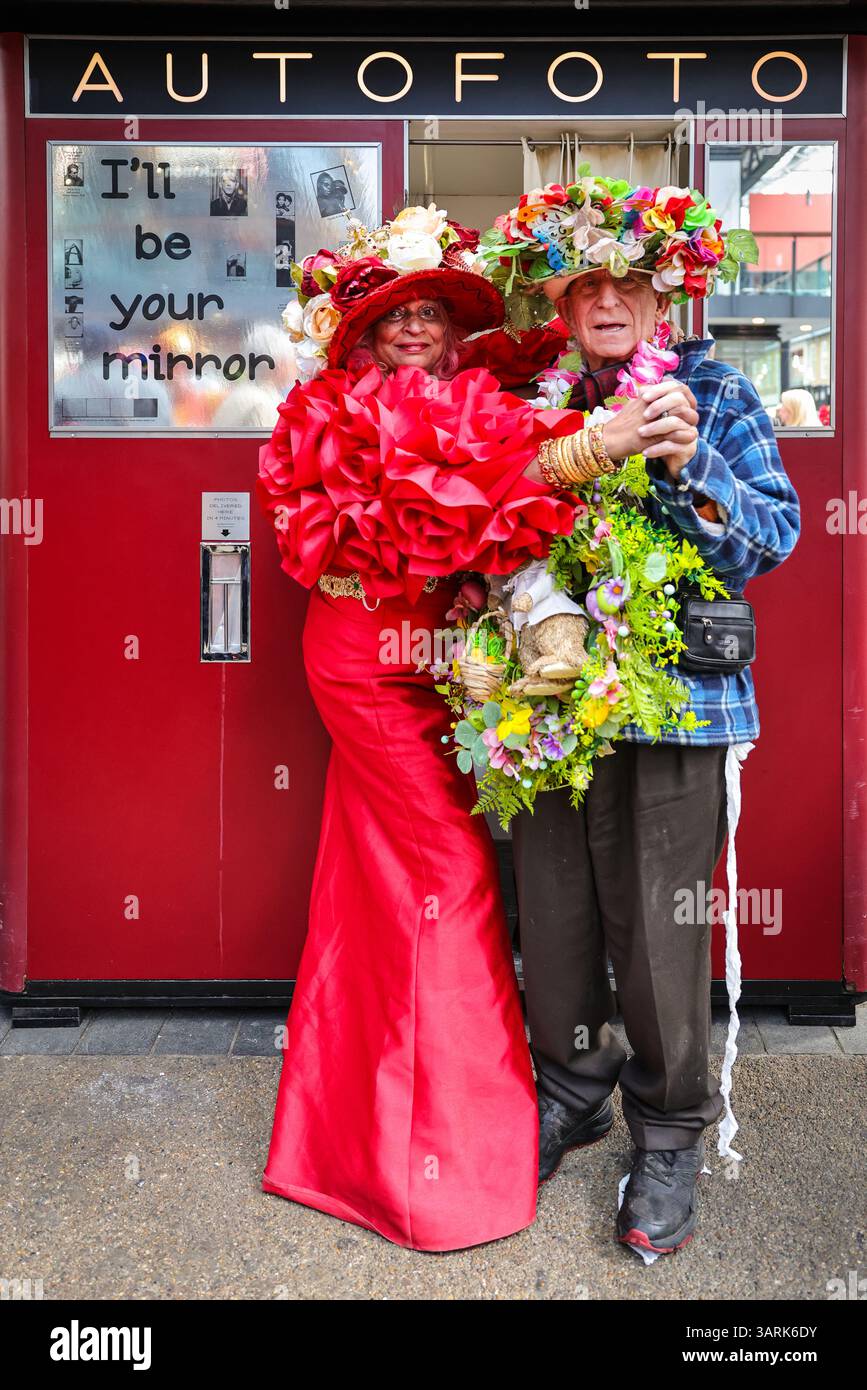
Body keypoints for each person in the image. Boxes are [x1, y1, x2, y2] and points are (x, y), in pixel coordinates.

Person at [256, 207, 586, 1251]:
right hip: (360, 664)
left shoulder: (481, 407)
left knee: (373, 882)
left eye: (434, 315)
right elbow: (309, 542)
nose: (415, 330)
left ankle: (339, 1147)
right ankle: (441, 1165)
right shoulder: (323, 407)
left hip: (439, 667)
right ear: (364, 325)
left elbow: (498, 510)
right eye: (397, 313)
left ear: (454, 335)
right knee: (454, 871)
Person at [485, 177, 800, 1256]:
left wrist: (685, 460)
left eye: (630, 284)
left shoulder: (716, 392)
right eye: (588, 288)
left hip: (681, 705)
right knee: (557, 909)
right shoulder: (541, 406)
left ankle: (666, 1132)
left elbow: (772, 535)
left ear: (661, 307)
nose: (609, 302)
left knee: (664, 933)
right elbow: (487, 533)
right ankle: (572, 1087)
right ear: (567, 310)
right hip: (554, 703)